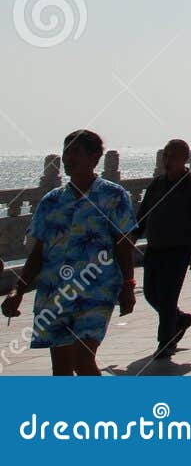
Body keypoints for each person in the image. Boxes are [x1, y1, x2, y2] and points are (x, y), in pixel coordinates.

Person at [1, 130, 138, 376]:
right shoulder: (51, 201)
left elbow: (123, 243)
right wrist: (17, 291)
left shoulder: (112, 196)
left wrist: (128, 285)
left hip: (96, 290)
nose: (68, 158)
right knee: (61, 369)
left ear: (95, 157)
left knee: (83, 361)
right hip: (54, 293)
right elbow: (38, 252)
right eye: (66, 151)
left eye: (75, 151)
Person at [137, 139, 191, 360]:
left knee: (168, 297)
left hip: (178, 250)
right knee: (150, 293)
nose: (167, 161)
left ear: (185, 159)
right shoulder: (157, 184)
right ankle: (179, 320)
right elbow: (143, 214)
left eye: (172, 157)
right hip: (154, 248)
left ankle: (165, 342)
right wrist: (131, 235)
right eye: (165, 156)